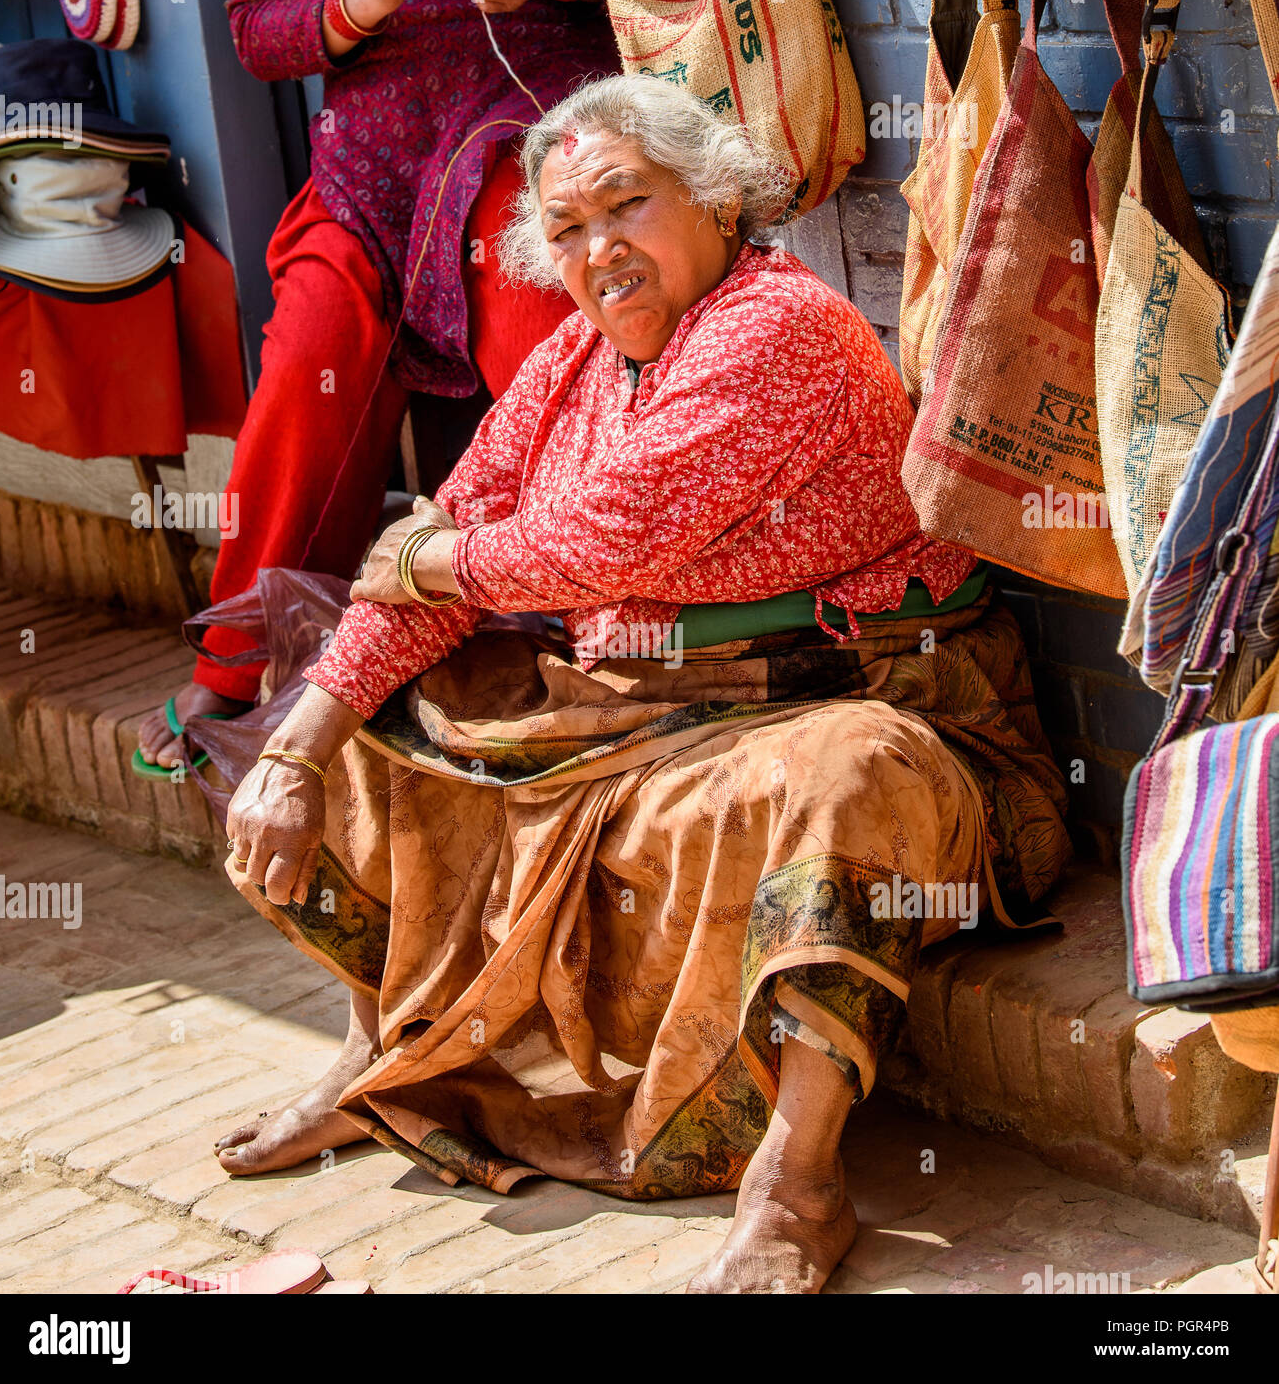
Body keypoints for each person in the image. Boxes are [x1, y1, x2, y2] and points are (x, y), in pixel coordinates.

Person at [215, 74, 1071, 1294]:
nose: (597, 250)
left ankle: (797, 1179)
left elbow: (606, 539)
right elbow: (437, 564)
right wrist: (296, 752)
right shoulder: (573, 358)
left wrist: (434, 553)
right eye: (566, 230)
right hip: (644, 706)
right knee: (365, 723)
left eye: (627, 205)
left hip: (861, 696)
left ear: (718, 202)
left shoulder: (775, 327)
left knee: (848, 778)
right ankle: (385, 1060)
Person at [135, 0, 617, 772]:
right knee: (310, 361)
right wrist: (361, 4)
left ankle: (616, 631)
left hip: (526, 120)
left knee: (542, 337)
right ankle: (235, 656)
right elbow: (256, 34)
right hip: (375, 162)